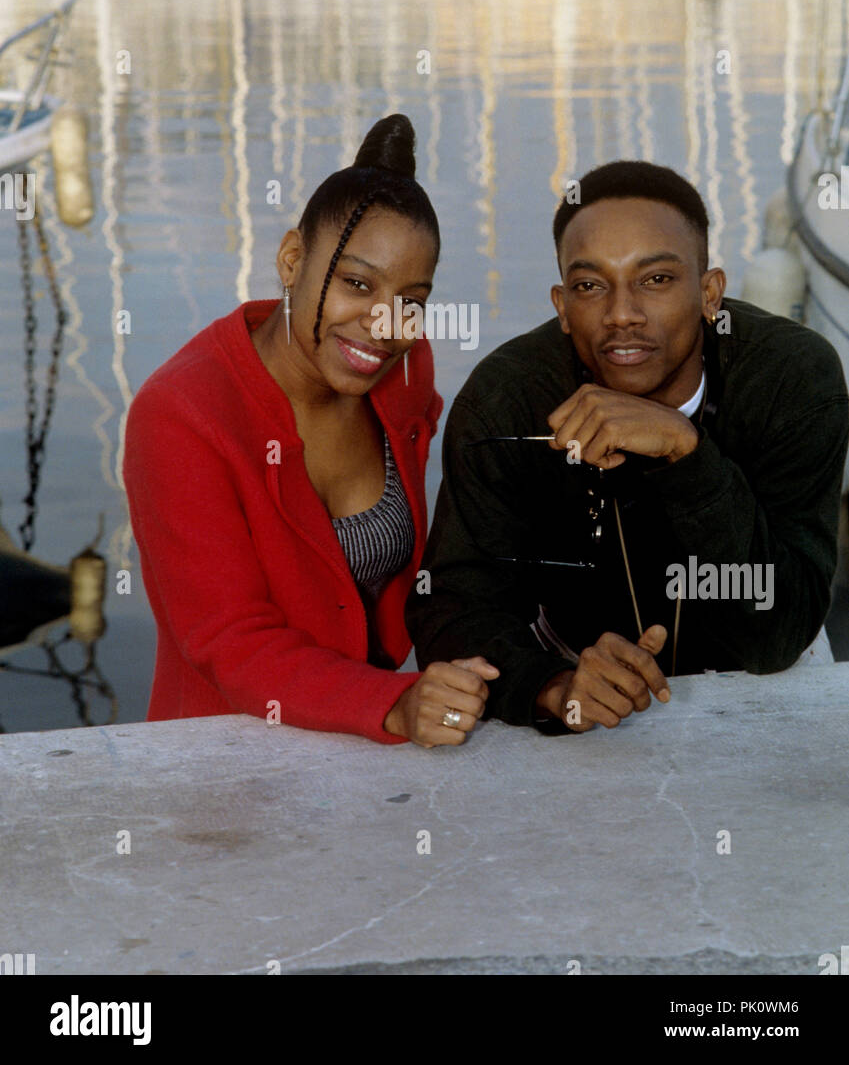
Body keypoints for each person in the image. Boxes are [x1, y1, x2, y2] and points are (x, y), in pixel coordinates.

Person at [407, 160, 849, 736]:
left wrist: (686, 451)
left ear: (710, 293)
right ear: (563, 307)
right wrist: (549, 686)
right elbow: (456, 602)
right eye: (591, 286)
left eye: (656, 279)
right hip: (576, 675)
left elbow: (777, 634)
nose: (622, 315)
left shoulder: (792, 376)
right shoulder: (508, 397)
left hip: (772, 680)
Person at [123, 115, 496, 746]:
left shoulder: (402, 368)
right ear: (293, 259)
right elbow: (231, 641)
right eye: (357, 283)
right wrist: (397, 703)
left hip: (355, 756)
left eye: (413, 299)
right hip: (220, 767)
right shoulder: (181, 415)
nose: (385, 323)